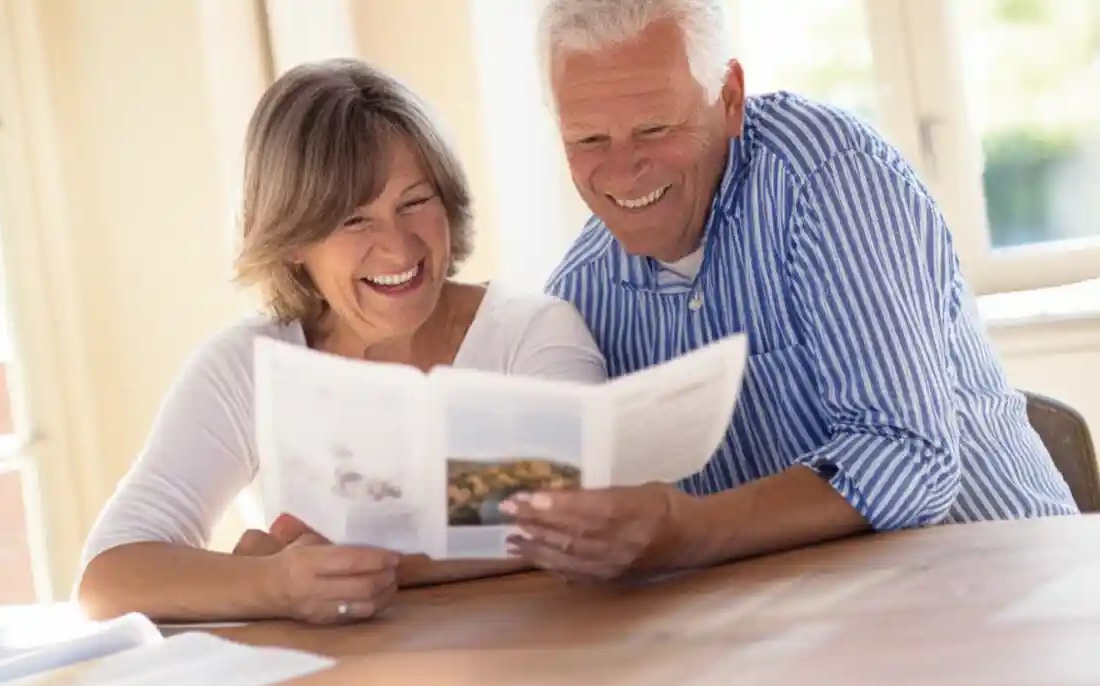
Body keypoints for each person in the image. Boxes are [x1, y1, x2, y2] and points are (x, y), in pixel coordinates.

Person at [502, 0, 1078, 582]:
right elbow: (535, 510)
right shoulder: (578, 295)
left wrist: (688, 528)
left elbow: (911, 458)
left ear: (729, 98)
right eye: (589, 139)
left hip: (1001, 587)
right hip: (802, 631)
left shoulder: (830, 178)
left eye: (654, 129)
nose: (624, 171)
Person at [76, 59, 606, 624]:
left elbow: (582, 513)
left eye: (414, 203)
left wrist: (362, 561)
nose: (399, 248)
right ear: (292, 242)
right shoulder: (248, 367)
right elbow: (107, 578)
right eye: (354, 220)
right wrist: (274, 582)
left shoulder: (533, 333)